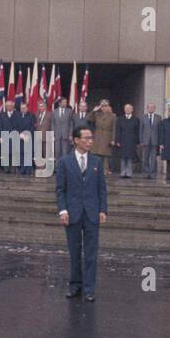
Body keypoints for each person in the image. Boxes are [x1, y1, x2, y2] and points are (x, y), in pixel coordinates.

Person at [56, 124, 107, 302]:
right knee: (74, 252)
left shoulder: (97, 162)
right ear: (76, 140)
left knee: (91, 253)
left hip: (92, 213)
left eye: (91, 138)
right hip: (72, 213)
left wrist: (103, 209)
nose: (89, 141)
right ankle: (75, 286)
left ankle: (89, 289)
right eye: (86, 138)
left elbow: (102, 188)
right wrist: (62, 210)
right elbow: (60, 189)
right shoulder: (64, 162)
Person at [116, 103, 141, 178]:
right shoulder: (120, 119)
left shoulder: (136, 119)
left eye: (129, 108)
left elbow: (137, 131)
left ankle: (129, 173)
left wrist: (137, 141)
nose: (127, 110)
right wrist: (117, 141)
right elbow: (118, 130)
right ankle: (123, 172)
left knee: (130, 157)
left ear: (132, 110)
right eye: (126, 108)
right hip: (122, 140)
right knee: (123, 157)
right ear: (124, 110)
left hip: (131, 141)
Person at [91, 100, 115, 174]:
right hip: (98, 136)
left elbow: (114, 129)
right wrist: (93, 111)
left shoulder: (113, 116)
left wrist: (113, 139)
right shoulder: (97, 114)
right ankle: (96, 169)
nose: (104, 108)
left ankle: (105, 170)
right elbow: (89, 119)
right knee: (96, 154)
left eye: (106, 106)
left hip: (107, 136)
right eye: (102, 106)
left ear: (108, 107)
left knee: (106, 155)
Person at [139, 103, 160, 179]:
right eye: (149, 107)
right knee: (145, 157)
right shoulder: (143, 117)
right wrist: (141, 140)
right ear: (147, 108)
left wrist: (160, 142)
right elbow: (141, 129)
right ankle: (146, 173)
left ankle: (153, 173)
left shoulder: (158, 117)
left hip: (155, 141)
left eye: (152, 107)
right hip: (145, 141)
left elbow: (159, 130)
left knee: (154, 158)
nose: (151, 109)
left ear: (154, 109)